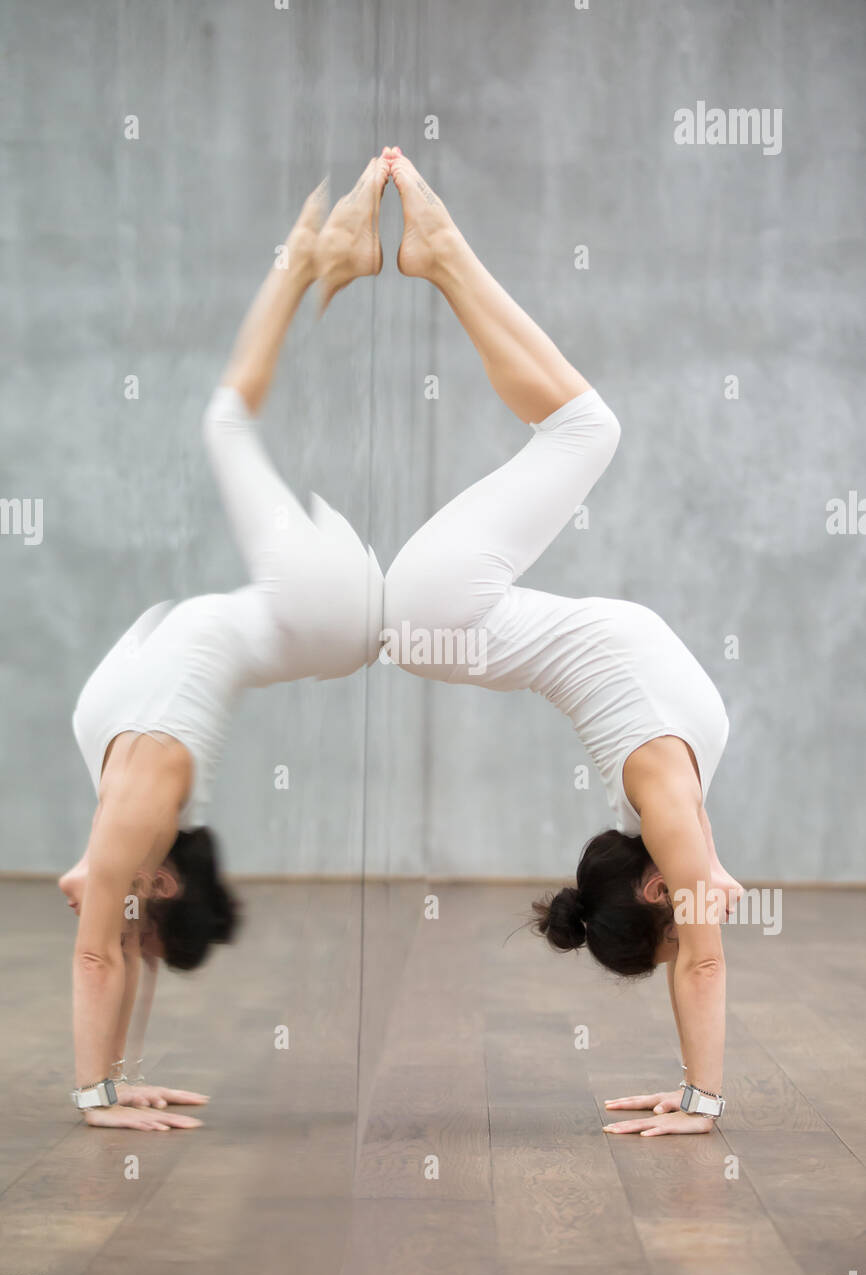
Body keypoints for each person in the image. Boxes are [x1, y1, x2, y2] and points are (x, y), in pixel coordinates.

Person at [381, 149, 742, 1137]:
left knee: (585, 429)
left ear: (651, 887)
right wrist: (688, 1083)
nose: (701, 931)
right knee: (579, 429)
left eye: (676, 922)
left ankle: (443, 253)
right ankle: (439, 256)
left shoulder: (666, 798)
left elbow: (703, 954)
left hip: (444, 608)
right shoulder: (675, 807)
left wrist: (700, 1100)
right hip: (445, 616)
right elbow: (704, 921)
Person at [59, 157, 391, 1131]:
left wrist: (115, 1083)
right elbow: (104, 951)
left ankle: (312, 256)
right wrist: (100, 1093)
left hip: (318, 609)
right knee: (221, 421)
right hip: (317, 608)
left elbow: (117, 944)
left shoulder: (140, 810)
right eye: (138, 918)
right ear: (162, 881)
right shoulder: (148, 796)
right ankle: (310, 256)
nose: (112, 923)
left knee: (223, 422)